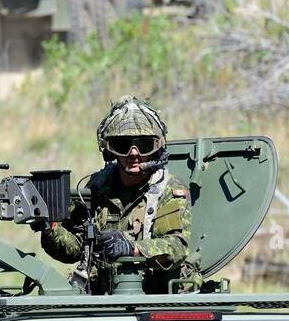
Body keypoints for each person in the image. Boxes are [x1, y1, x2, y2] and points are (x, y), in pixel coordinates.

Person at [37, 96, 200, 293]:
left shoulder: (169, 189)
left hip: (155, 298)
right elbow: (76, 249)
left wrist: (133, 248)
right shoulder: (98, 186)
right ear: (110, 151)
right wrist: (50, 227)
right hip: (107, 297)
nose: (133, 153)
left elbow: (177, 247)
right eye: (123, 145)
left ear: (156, 149)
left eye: (144, 145)